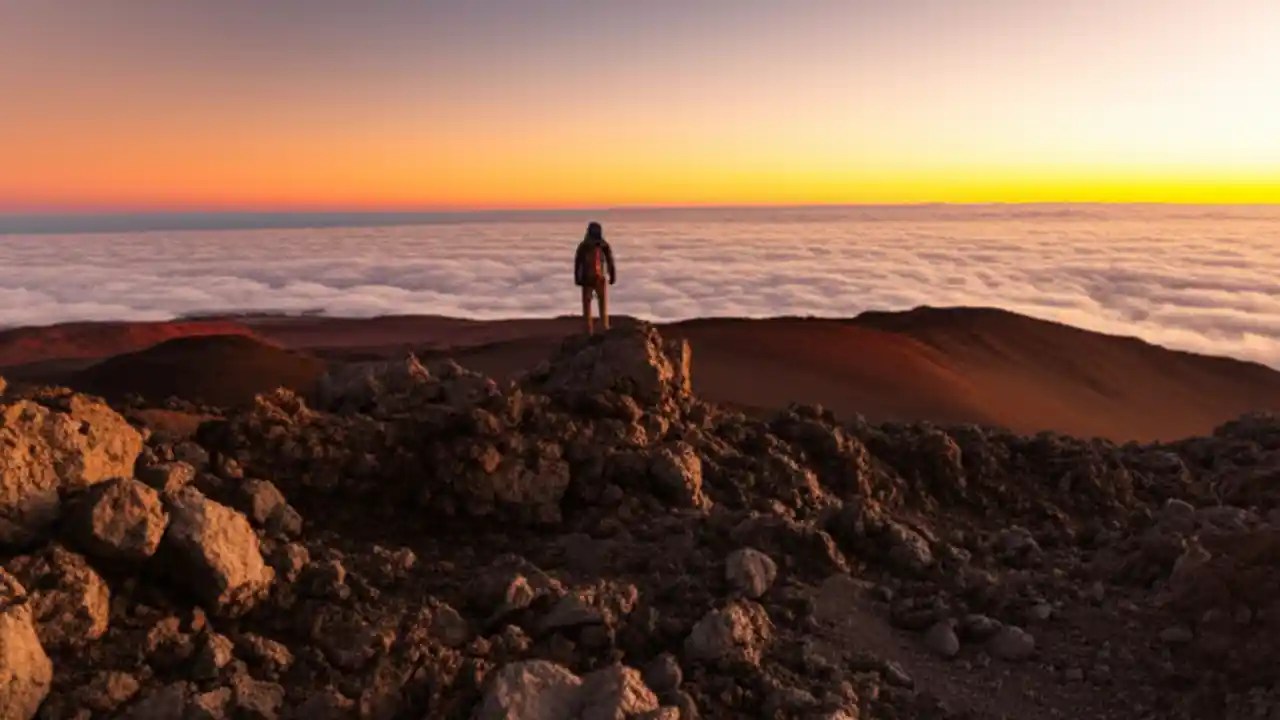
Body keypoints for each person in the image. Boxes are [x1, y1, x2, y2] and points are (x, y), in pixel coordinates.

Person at [574, 221, 616, 334]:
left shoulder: (584, 245)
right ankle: (604, 326)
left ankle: (588, 329)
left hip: (587, 279)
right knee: (602, 303)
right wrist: (612, 275)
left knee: (587, 305)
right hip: (600, 278)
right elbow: (610, 261)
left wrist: (577, 278)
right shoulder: (603, 245)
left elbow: (578, 263)